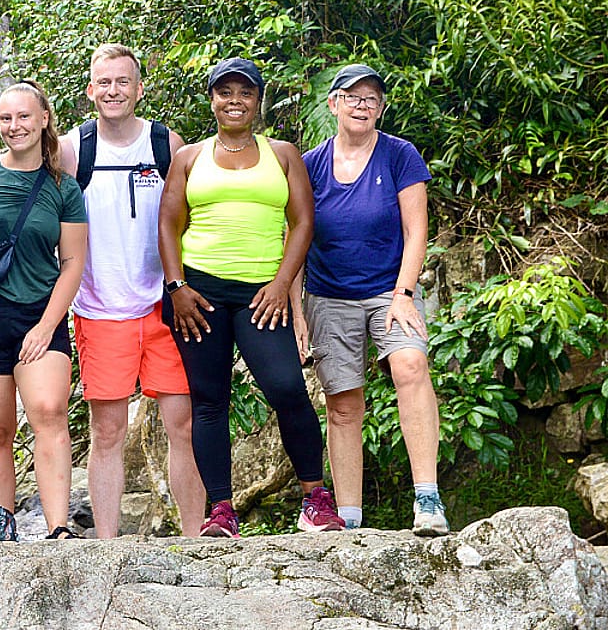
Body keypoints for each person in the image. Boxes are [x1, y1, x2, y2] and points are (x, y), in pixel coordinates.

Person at [157, 56, 342, 538]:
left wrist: (282, 284)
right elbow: (168, 224)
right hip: (200, 294)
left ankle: (315, 501)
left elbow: (303, 222)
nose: (234, 100)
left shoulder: (282, 154)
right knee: (210, 400)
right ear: (212, 99)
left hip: (264, 292)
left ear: (258, 101)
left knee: (287, 389)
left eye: (245, 93)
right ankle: (221, 510)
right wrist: (176, 287)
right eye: (225, 92)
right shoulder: (189, 158)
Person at [57, 43, 206, 538]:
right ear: (90, 90)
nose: (113, 91)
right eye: (104, 82)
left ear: (139, 89)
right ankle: (106, 548)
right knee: (107, 433)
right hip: (100, 310)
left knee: (181, 427)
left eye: (123, 81)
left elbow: (190, 217)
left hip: (165, 308)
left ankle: (193, 540)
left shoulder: (166, 144)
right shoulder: (75, 149)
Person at [294, 63, 448, 536]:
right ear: (333, 104)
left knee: (410, 365)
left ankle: (428, 499)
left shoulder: (399, 155)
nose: (363, 106)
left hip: (389, 288)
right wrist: (297, 311)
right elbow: (295, 236)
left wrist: (404, 293)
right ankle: (352, 517)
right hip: (327, 294)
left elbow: (416, 228)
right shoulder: (309, 164)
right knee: (343, 402)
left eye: (372, 99)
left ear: (381, 108)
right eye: (353, 97)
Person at [0, 80, 88, 539]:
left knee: (49, 410)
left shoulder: (62, 188)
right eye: (6, 118)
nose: (15, 126)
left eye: (24, 116)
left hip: (40, 314)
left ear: (44, 119)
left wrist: (46, 325)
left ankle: (59, 529)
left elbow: (72, 262)